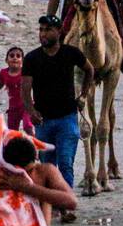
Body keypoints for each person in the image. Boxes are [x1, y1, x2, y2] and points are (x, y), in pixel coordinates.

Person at [22, 15, 94, 191]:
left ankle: (65, 203)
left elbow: (89, 69)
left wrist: (83, 94)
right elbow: (25, 89)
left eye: (48, 30)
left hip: (67, 118)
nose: (43, 34)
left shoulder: (71, 53)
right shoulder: (32, 58)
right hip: (44, 121)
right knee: (47, 165)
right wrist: (31, 111)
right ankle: (52, 203)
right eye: (41, 29)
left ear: (59, 31)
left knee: (65, 162)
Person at [0, 46, 33, 133]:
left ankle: (33, 145)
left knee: (28, 126)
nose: (15, 58)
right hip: (13, 108)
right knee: (12, 132)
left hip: (26, 105)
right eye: (11, 56)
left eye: (18, 56)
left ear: (22, 60)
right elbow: (0, 83)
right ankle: (13, 146)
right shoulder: (4, 73)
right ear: (6, 60)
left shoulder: (26, 72)